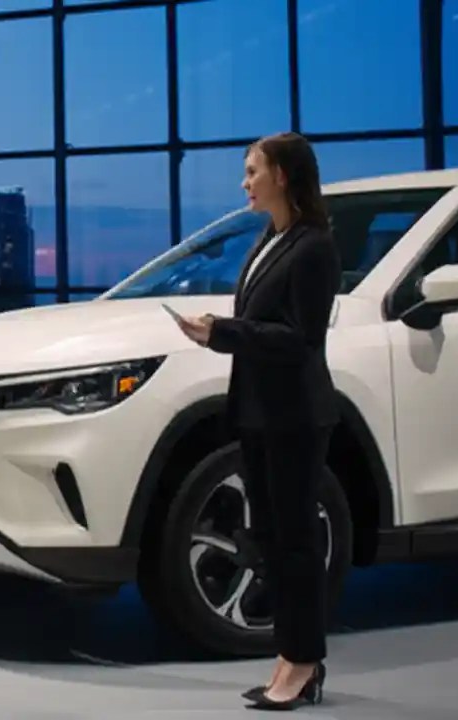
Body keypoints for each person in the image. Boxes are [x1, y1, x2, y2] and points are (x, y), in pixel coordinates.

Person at [176, 132, 340, 712]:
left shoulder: (314, 246)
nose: (244, 182)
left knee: (294, 544)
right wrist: (221, 332)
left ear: (284, 176)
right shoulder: (273, 239)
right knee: (271, 540)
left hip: (294, 416)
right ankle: (295, 656)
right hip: (258, 415)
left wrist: (221, 332)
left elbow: (300, 338)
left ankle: (301, 661)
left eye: (252, 171)